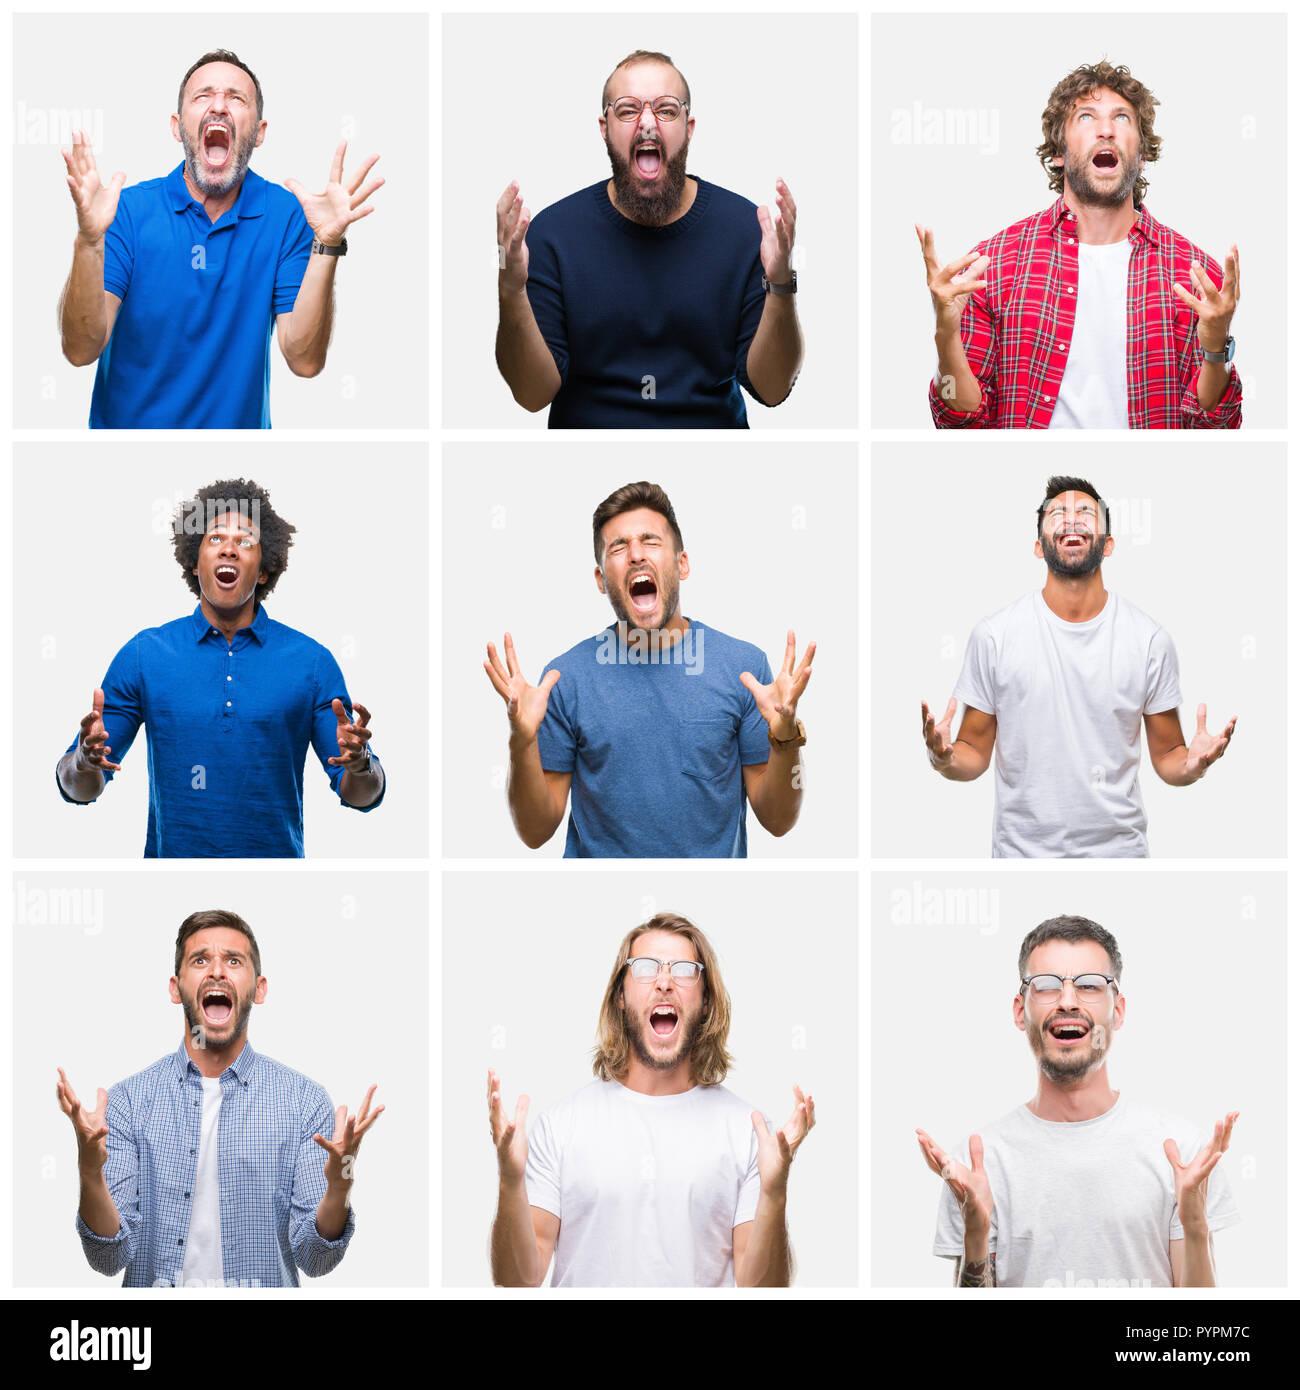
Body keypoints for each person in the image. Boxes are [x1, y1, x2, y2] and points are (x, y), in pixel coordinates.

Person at [56, 478, 385, 857]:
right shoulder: (145, 654)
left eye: (245, 541)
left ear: (263, 570)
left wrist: (362, 767)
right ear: (195, 563)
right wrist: (82, 761)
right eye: (215, 538)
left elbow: (362, 796)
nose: (229, 548)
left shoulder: (311, 662)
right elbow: (80, 788)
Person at [483, 480, 814, 856]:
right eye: (618, 547)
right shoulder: (563, 679)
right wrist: (521, 742)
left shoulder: (745, 669)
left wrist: (786, 737)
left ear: (682, 563)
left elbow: (778, 821)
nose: (636, 554)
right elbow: (535, 831)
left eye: (650, 541)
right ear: (601, 580)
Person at [56, 909, 383, 1288]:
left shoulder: (303, 1102)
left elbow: (316, 1257)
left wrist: (340, 1183)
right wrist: (89, 1172)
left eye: (233, 960)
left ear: (259, 988)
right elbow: (108, 1257)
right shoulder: (128, 1102)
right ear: (175, 987)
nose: (216, 971)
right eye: (200, 960)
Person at [58, 48, 383, 428]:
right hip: (129, 454)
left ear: (259, 132)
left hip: (237, 462)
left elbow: (305, 361)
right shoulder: (127, 212)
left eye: (236, 98)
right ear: (177, 127)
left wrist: (327, 243)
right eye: (203, 96)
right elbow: (80, 350)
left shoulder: (286, 215)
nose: (219, 107)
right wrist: (90, 240)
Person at [487, 912, 814, 1287]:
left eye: (685, 970)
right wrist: (509, 1182)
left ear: (706, 1001)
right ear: (621, 997)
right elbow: (517, 1282)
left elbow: (762, 1290)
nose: (664, 982)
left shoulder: (748, 1133)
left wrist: (775, 1194)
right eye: (645, 968)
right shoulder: (561, 1126)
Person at [917, 915, 1240, 1288]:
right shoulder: (978, 1166)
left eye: (1089, 985)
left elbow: (1195, 1340)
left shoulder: (1183, 1154)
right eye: (1046, 986)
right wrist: (976, 1231)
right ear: (1021, 1012)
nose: (1068, 1001)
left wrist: (1195, 1225)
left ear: (1117, 1011)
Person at [920, 475, 1234, 857]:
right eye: (1057, 513)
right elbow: (972, 751)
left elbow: (1169, 758)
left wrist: (1193, 764)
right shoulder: (995, 636)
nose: (1071, 519)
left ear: (1109, 544)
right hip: (1021, 857)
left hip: (1120, 857)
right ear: (1039, 546)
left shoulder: (1149, 639)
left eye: (1086, 512)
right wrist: (945, 760)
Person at [917, 60, 1241, 429]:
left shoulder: (1193, 275)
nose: (1105, 130)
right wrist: (946, 334)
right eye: (1086, 117)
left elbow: (1216, 429)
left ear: (1142, 154)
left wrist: (1216, 349)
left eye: (1122, 118)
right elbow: (960, 425)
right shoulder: (995, 266)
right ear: (1058, 152)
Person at [494, 49, 802, 427]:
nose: (647, 123)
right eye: (627, 110)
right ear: (604, 128)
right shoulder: (552, 235)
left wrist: (782, 283)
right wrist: (511, 288)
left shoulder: (748, 230)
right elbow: (531, 395)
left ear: (688, 128)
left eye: (666, 109)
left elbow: (771, 390)